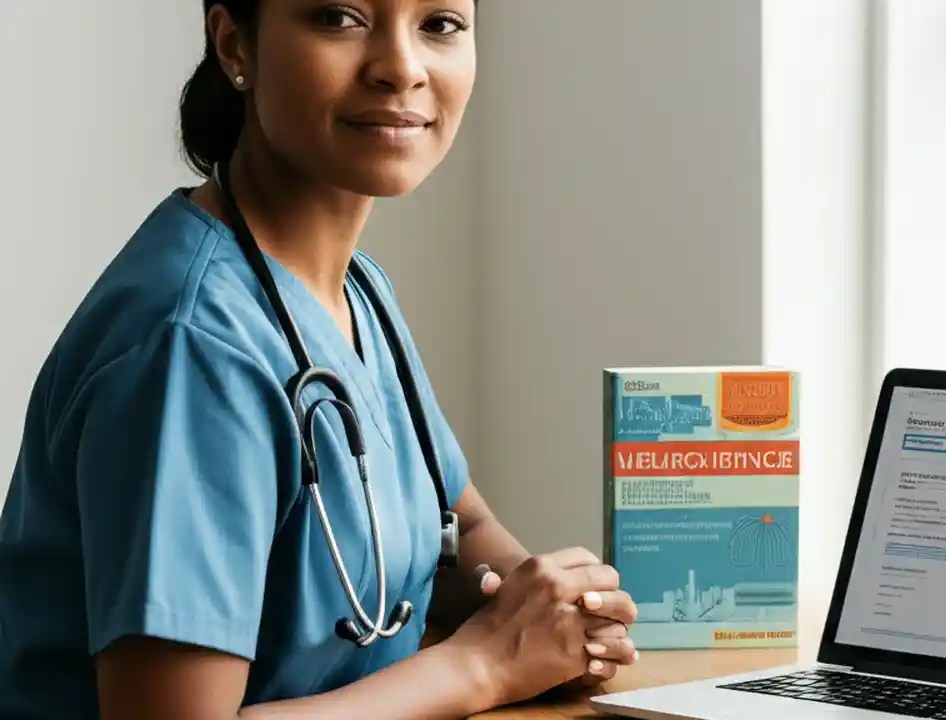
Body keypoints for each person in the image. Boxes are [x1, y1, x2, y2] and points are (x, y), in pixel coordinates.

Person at [0, 1, 638, 718]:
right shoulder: (192, 349)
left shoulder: (356, 291)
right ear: (235, 44)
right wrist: (484, 667)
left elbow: (458, 531)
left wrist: (557, 614)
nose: (401, 68)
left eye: (441, 25)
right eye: (339, 17)